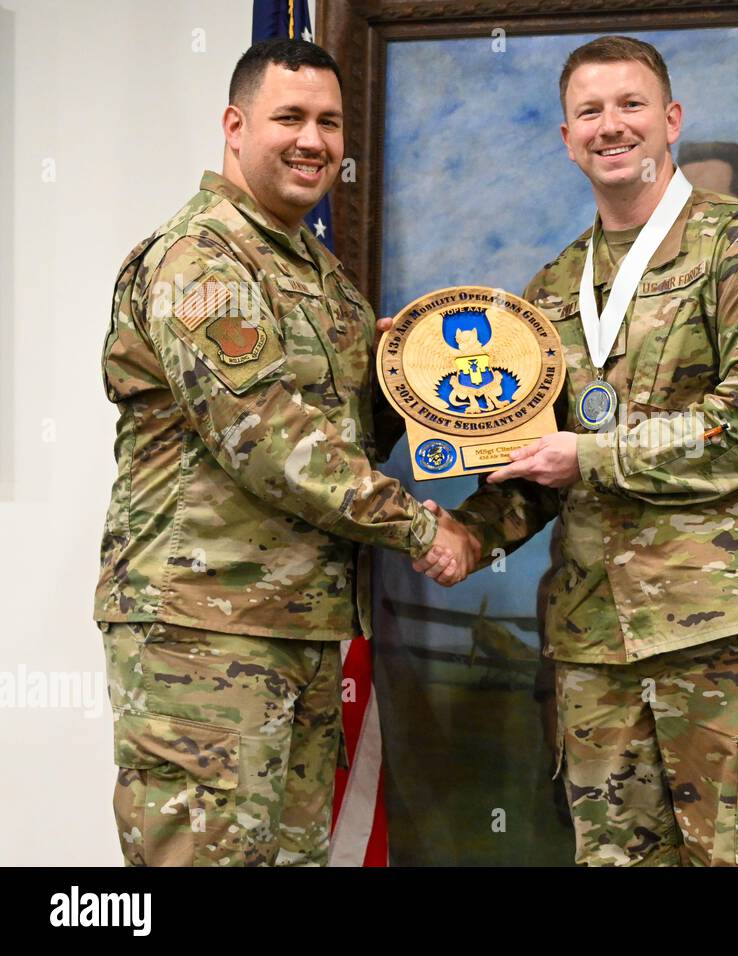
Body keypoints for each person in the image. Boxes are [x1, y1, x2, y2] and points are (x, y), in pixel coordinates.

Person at [413, 36, 738, 866]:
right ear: (567, 137)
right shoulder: (548, 290)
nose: (612, 126)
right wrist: (470, 535)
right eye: (590, 112)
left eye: (631, 105)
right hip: (595, 649)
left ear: (671, 119)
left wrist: (594, 457)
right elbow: (531, 462)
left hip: (728, 638)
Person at [95, 38, 465, 867]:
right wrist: (420, 528)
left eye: (329, 122)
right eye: (289, 118)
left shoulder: (319, 275)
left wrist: (427, 382)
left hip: (297, 627)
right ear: (235, 126)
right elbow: (268, 440)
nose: (313, 141)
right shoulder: (205, 261)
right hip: (203, 630)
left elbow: (346, 436)